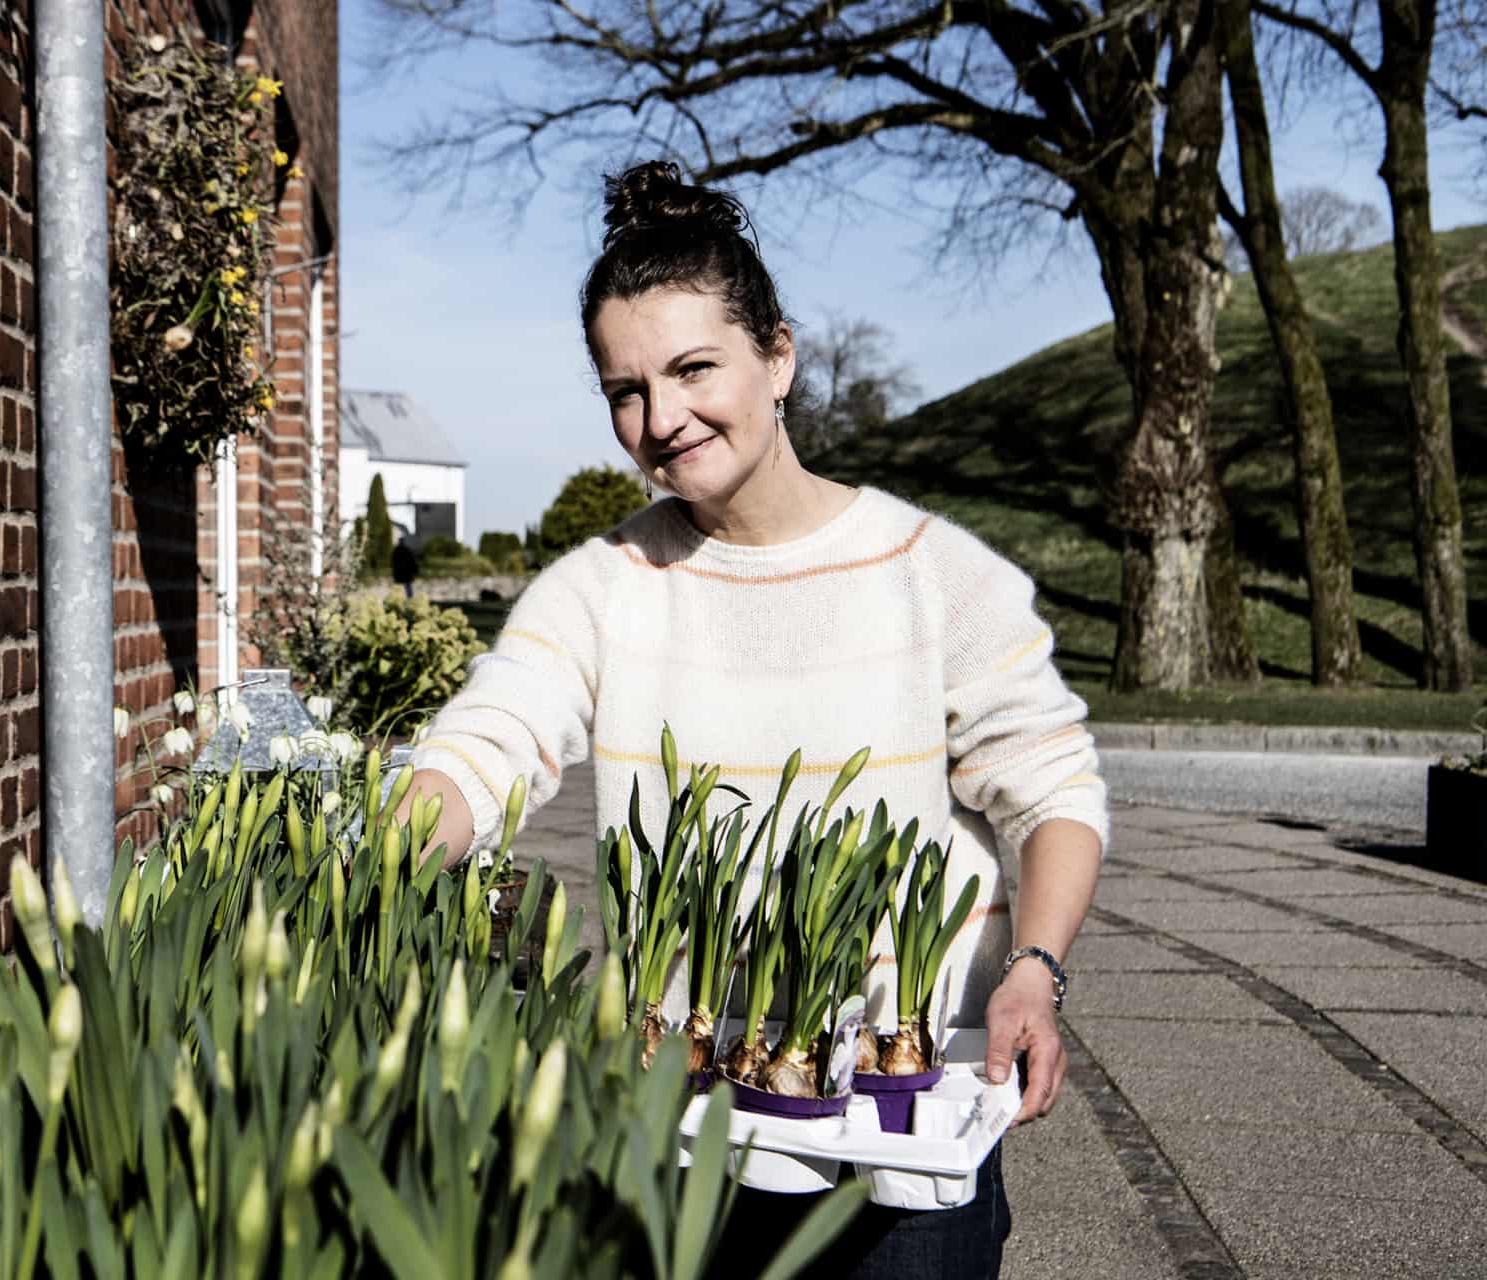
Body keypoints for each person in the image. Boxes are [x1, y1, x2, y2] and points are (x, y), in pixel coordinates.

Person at [399, 160, 1107, 1278]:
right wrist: (384, 853)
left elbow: (1056, 789)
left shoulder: (931, 573)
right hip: (686, 1119)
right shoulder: (604, 585)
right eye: (625, 389)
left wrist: (1035, 969)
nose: (660, 418)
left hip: (901, 1140)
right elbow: (487, 743)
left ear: (778, 356)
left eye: (692, 368)